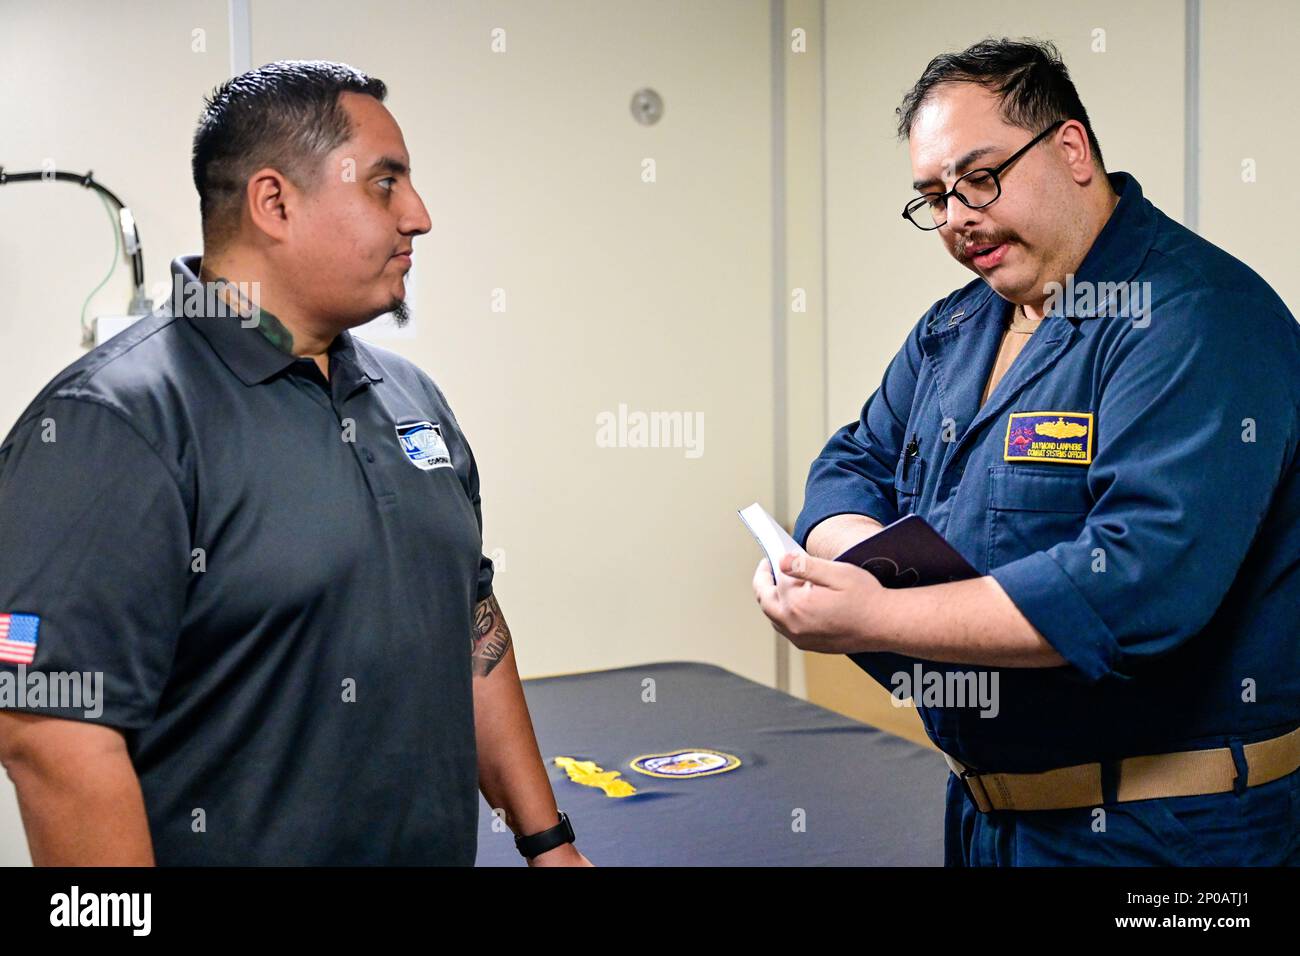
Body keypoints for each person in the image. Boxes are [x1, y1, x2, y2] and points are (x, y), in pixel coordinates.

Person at [0, 60, 588, 866]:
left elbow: (471, 626)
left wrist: (548, 842)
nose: (418, 216)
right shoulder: (114, 423)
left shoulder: (409, 397)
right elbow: (49, 739)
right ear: (274, 202)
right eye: (386, 184)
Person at [753, 38, 1300, 865]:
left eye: (979, 178)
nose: (957, 216)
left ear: (1071, 150)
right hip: (990, 820)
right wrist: (850, 563)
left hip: (1164, 837)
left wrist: (877, 614)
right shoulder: (957, 327)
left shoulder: (1196, 318)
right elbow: (851, 465)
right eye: (933, 196)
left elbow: (1136, 584)